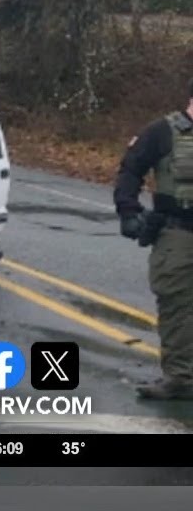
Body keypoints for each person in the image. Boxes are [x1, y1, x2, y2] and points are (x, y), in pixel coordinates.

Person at [114, 80, 193, 400]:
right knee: (176, 304)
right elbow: (130, 170)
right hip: (178, 233)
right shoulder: (162, 132)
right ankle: (181, 378)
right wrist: (129, 210)